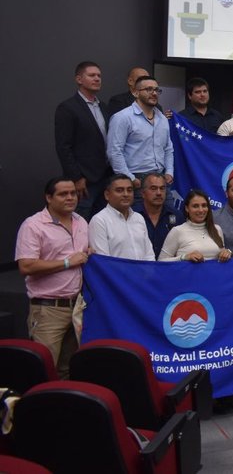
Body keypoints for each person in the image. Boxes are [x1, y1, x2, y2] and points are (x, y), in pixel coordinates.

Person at [15, 178, 90, 377]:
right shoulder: (33, 225)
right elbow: (26, 265)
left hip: (76, 307)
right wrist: (67, 262)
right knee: (43, 370)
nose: (70, 198)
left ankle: (62, 408)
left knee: (68, 369)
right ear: (48, 198)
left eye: (73, 193)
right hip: (48, 309)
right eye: (63, 194)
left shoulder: (81, 221)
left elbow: (82, 255)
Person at [54, 60, 112, 220]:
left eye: (99, 75)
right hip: (84, 181)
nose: (97, 79)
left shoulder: (103, 107)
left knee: (101, 222)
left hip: (105, 177)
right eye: (92, 75)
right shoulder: (68, 107)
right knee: (80, 221)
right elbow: (63, 147)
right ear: (79, 79)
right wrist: (76, 178)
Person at [106, 75, 174, 195]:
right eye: (148, 89)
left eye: (157, 90)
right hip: (136, 179)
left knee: (168, 213)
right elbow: (114, 151)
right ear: (135, 93)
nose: (154, 93)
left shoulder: (162, 119)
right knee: (138, 214)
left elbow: (168, 148)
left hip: (160, 178)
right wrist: (130, 179)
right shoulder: (122, 117)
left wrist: (169, 171)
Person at [88, 175, 154, 260]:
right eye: (119, 190)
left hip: (143, 272)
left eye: (129, 190)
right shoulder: (99, 220)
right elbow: (103, 261)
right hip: (114, 273)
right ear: (107, 195)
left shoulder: (139, 218)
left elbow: (149, 254)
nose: (126, 194)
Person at [159, 189, 231, 262]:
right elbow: (161, 261)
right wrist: (184, 257)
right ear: (187, 208)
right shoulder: (177, 231)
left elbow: (222, 255)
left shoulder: (217, 229)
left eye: (204, 205)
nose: (201, 210)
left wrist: (226, 253)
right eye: (195, 206)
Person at [136, 173, 183, 258]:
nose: (159, 193)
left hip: (168, 267)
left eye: (162, 188)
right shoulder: (133, 215)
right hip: (140, 267)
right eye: (153, 188)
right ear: (143, 193)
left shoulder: (177, 216)